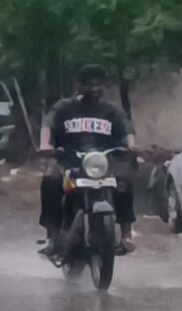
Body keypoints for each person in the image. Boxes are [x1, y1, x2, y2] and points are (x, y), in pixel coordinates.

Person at [38, 65, 137, 256]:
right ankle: (53, 235)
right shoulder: (64, 107)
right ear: (79, 85)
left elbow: (127, 127)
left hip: (102, 165)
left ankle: (126, 235)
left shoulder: (112, 110)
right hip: (69, 162)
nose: (95, 88)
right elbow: (48, 123)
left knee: (124, 180)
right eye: (90, 83)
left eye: (99, 83)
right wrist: (45, 144)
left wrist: (132, 145)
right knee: (51, 181)